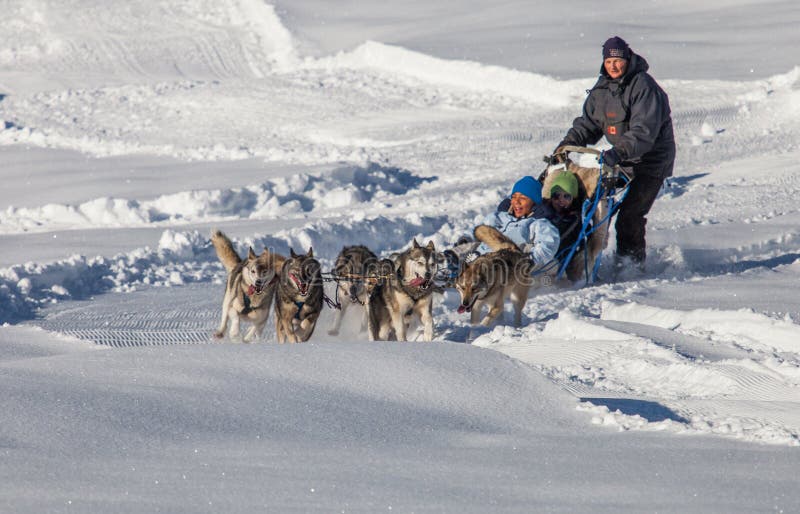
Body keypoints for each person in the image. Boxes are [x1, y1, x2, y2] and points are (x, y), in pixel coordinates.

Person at [555, 36, 675, 273]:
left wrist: (618, 151)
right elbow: (587, 124)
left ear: (628, 59)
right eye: (609, 60)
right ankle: (578, 262)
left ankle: (630, 267)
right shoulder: (602, 89)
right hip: (620, 159)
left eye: (617, 60)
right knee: (587, 205)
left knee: (629, 216)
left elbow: (643, 131)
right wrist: (566, 146)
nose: (613, 65)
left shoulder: (643, 87)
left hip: (650, 162)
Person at [442, 176, 559, 281]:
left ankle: (466, 275)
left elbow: (547, 246)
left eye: (522, 198)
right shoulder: (499, 216)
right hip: (480, 254)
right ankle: (446, 263)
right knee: (477, 237)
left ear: (534, 202)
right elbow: (478, 229)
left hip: (506, 262)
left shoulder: (539, 224)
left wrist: (529, 261)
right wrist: (466, 238)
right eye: (514, 197)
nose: (516, 202)